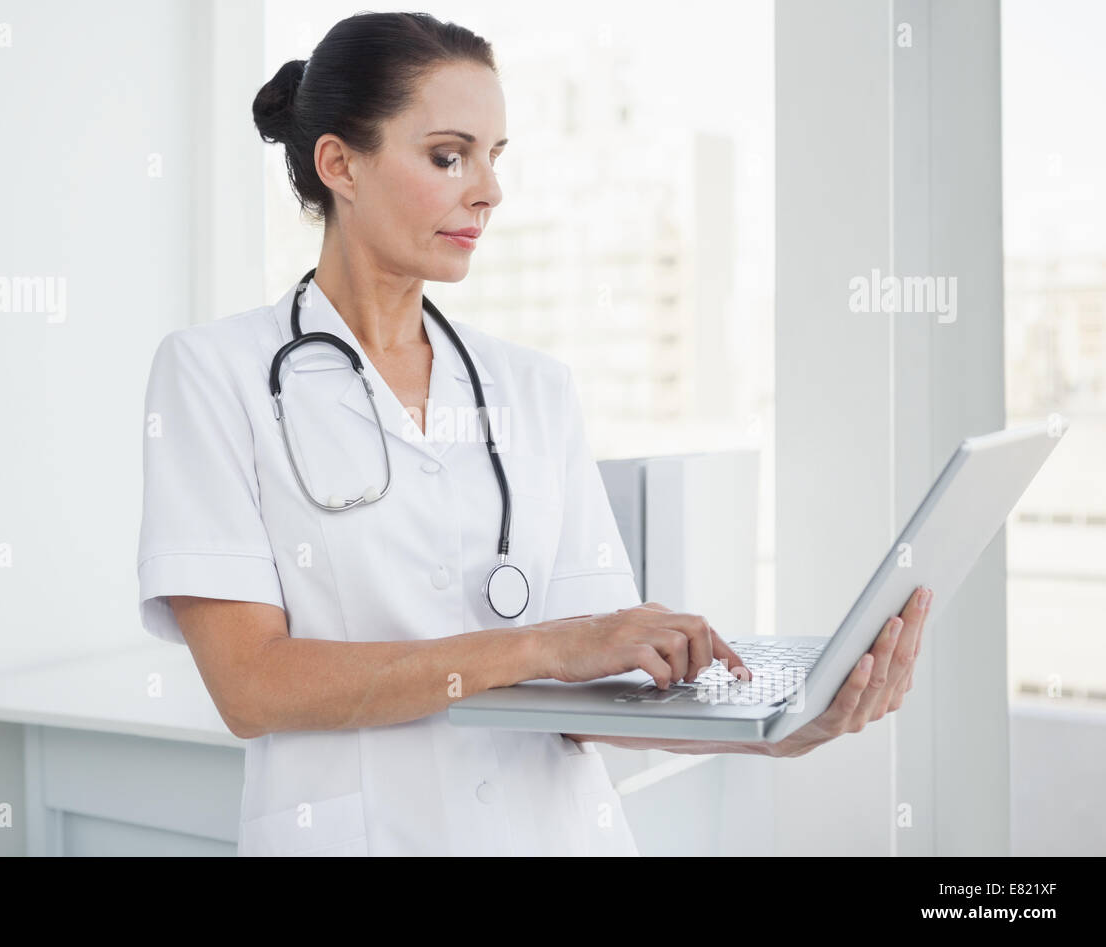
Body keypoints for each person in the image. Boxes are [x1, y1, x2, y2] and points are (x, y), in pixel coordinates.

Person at [135, 11, 932, 856]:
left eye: (494, 157)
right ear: (340, 164)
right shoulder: (215, 373)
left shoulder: (532, 388)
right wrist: (545, 644)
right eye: (449, 155)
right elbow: (253, 684)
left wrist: (779, 725)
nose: (488, 189)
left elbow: (600, 676)